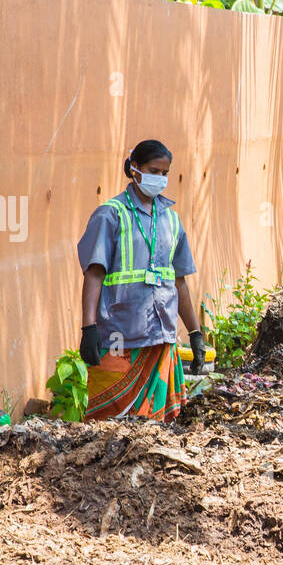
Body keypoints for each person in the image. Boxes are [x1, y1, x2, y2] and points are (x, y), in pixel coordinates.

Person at [76, 139, 207, 421]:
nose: (159, 178)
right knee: (106, 426)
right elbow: (94, 273)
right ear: (134, 169)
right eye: (153, 170)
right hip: (118, 337)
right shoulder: (110, 215)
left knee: (156, 436)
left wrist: (195, 333)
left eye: (164, 173)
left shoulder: (171, 221)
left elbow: (179, 282)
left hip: (161, 339)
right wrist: (88, 328)